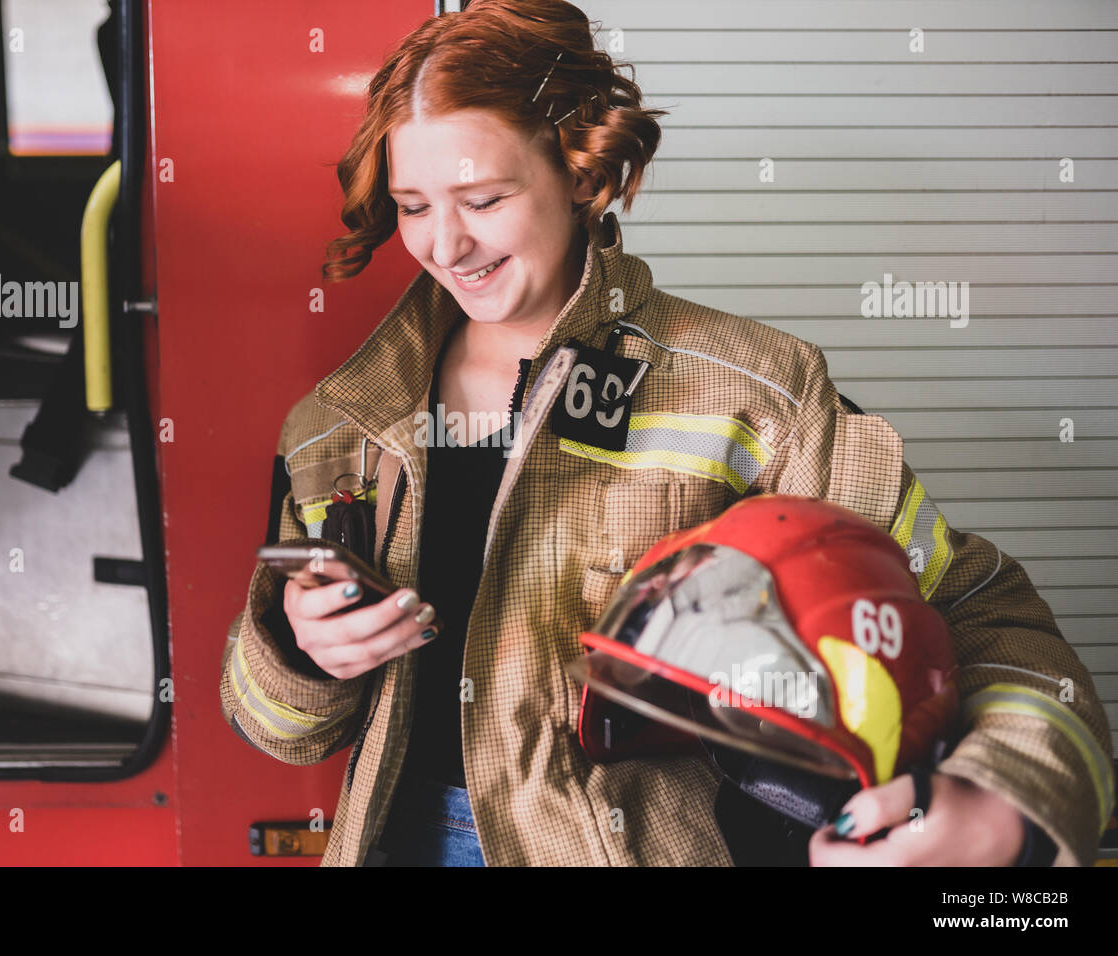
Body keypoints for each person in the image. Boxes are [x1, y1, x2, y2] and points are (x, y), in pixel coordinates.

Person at [219, 0, 1113, 866]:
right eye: (414, 206)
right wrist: (305, 652)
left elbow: (980, 615)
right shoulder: (338, 424)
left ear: (582, 174)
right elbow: (278, 731)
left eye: (482, 198)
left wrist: (1004, 805)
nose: (444, 246)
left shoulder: (758, 392)